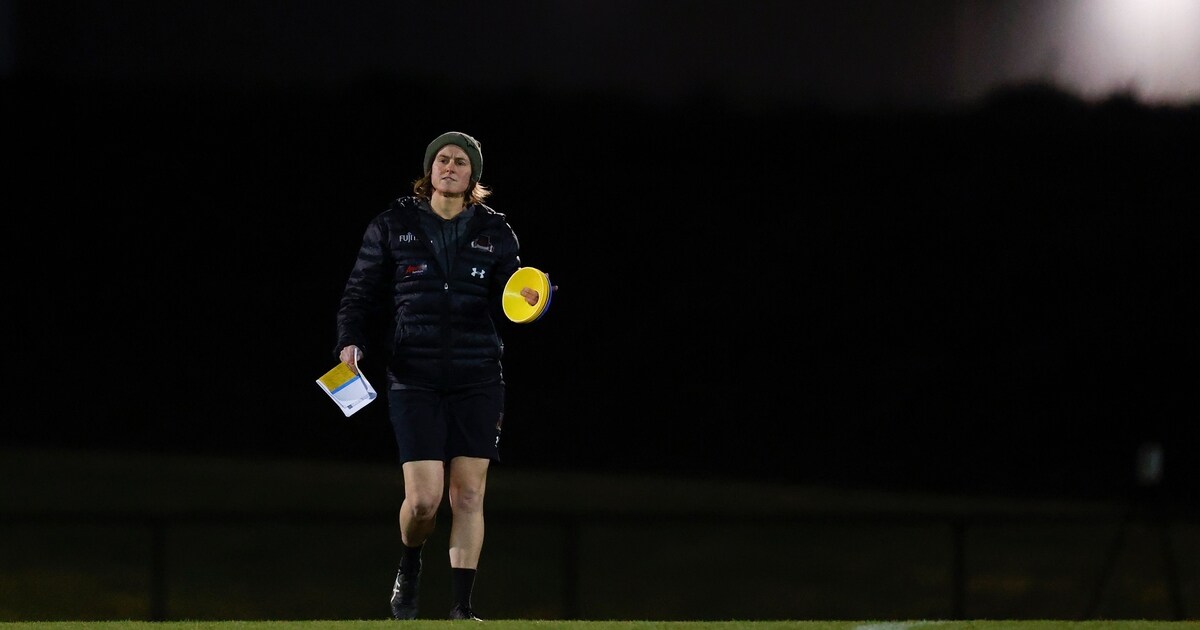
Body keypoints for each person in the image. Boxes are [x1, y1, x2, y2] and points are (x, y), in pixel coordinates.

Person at [333, 131, 549, 621]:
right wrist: (350, 340)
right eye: (442, 160)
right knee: (424, 502)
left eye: (460, 162)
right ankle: (410, 563)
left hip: (478, 376)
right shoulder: (392, 225)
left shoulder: (496, 231)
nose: (450, 167)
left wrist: (532, 298)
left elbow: (512, 294)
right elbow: (358, 292)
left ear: (473, 176)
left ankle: (461, 609)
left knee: (468, 494)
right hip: (414, 376)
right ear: (429, 171)